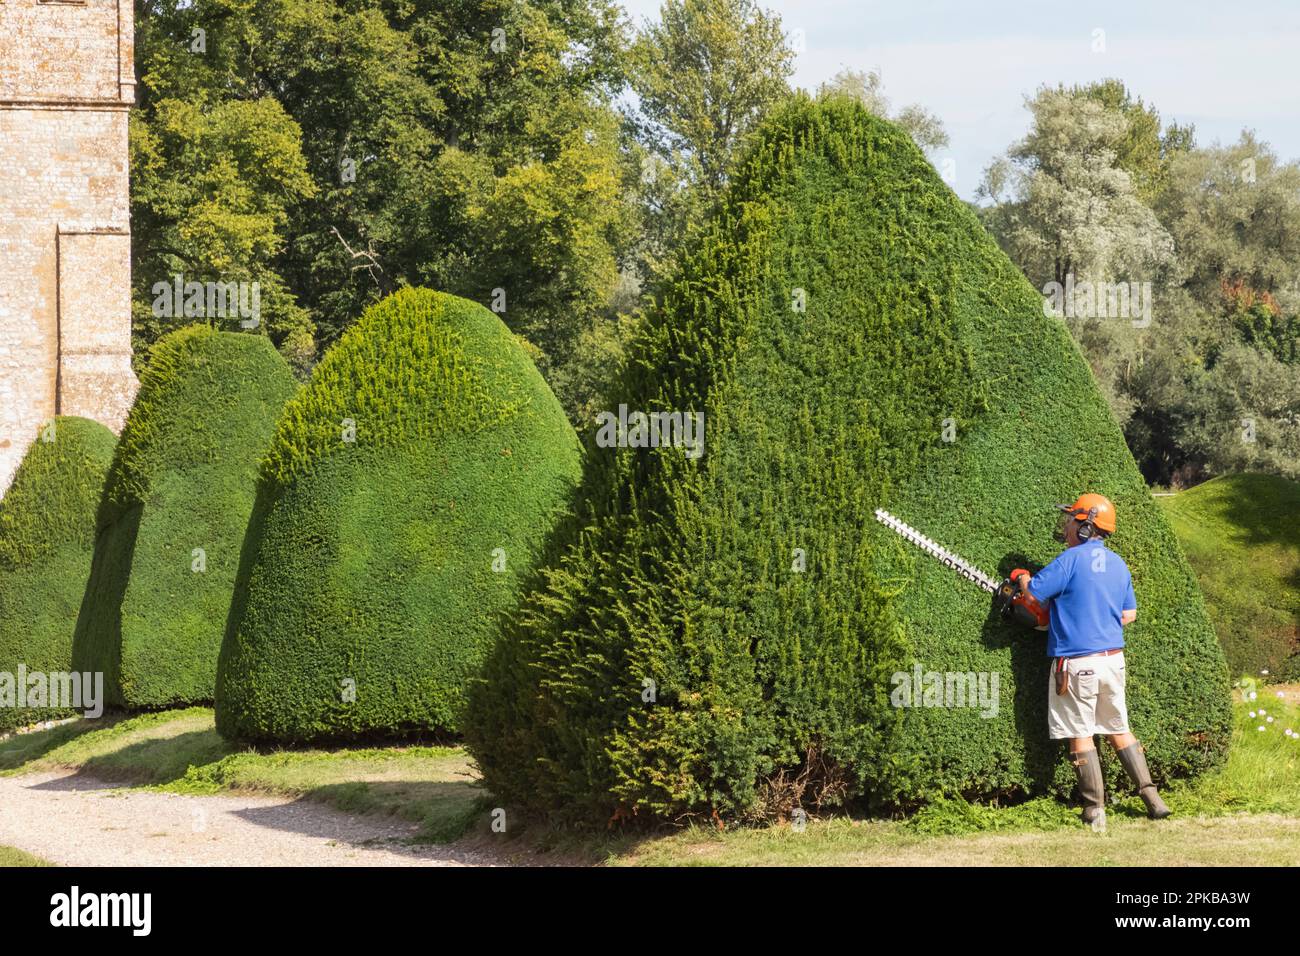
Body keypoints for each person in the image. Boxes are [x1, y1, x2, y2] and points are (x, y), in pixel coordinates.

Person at [1013, 493, 1171, 829]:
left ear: (1085, 527)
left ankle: (1094, 811)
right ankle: (1153, 799)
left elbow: (1031, 596)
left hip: (1075, 663)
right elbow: (1129, 615)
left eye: (1072, 519)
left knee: (1080, 734)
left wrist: (1020, 578)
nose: (1067, 525)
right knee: (1119, 729)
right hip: (1113, 661)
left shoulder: (1069, 561)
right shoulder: (1118, 564)